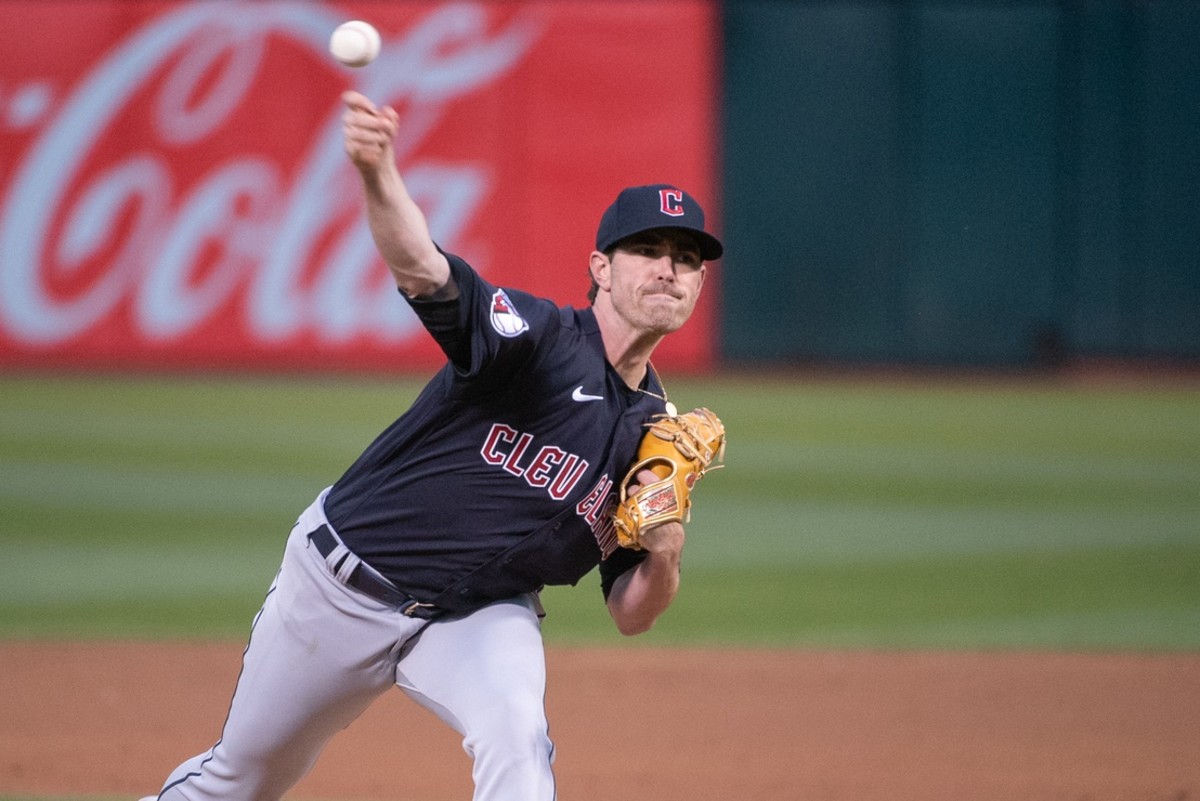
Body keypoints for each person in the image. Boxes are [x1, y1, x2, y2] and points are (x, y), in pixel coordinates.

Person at [142, 89, 724, 801]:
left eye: (686, 259)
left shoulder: (655, 435)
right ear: (601, 268)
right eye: (648, 250)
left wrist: (664, 551)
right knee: (241, 781)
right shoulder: (537, 339)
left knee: (518, 744)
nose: (668, 268)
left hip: (478, 614)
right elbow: (424, 270)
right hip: (341, 587)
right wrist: (377, 172)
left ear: (700, 283)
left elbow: (632, 613)